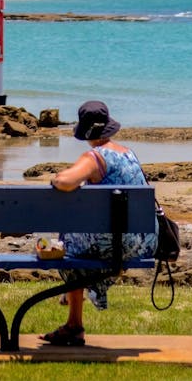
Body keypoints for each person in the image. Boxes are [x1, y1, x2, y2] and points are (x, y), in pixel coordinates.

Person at [40, 100, 156, 347]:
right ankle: (76, 309)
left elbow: (64, 182)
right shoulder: (128, 153)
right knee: (76, 236)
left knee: (65, 243)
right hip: (139, 241)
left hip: (113, 243)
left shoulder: (95, 157)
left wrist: (58, 178)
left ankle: (74, 322)